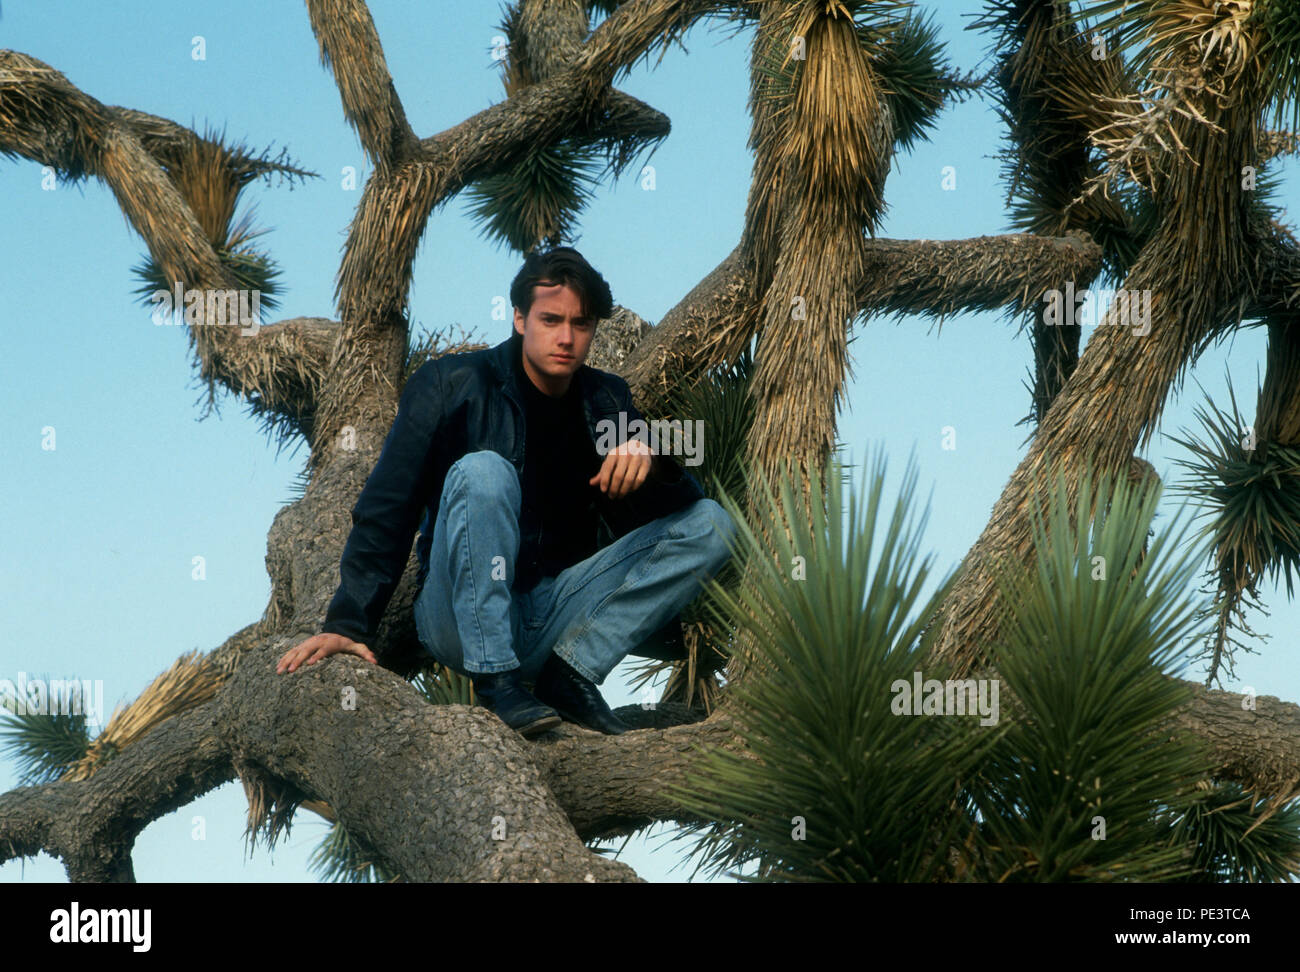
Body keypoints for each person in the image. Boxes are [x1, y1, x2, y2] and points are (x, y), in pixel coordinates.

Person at [276, 246, 737, 738]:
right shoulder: (451, 386)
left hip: (555, 612)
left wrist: (652, 455)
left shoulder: (605, 402)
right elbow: (387, 508)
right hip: (457, 614)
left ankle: (571, 673)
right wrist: (346, 624)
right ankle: (496, 680)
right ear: (519, 318)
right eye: (551, 319)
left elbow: (670, 515)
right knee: (484, 472)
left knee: (713, 523)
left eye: (580, 324)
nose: (566, 338)